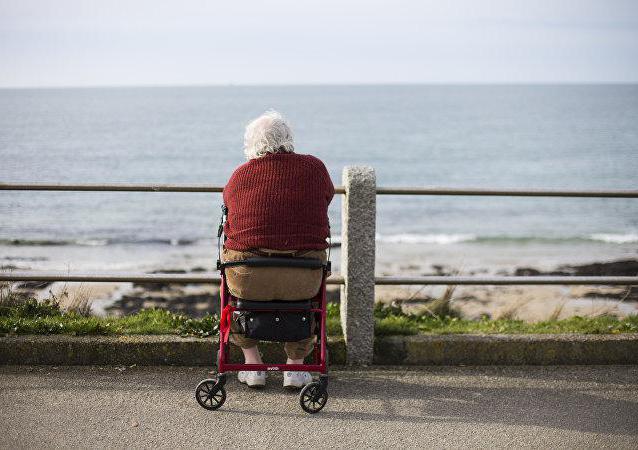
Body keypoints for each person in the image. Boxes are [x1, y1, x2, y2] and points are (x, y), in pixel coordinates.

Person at [222, 110, 334, 388]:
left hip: (249, 280)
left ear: (251, 144)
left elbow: (230, 212)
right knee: (310, 303)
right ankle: (295, 368)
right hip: (303, 280)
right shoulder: (315, 169)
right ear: (288, 139)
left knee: (231, 292)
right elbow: (327, 197)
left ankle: (253, 365)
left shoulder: (240, 176)